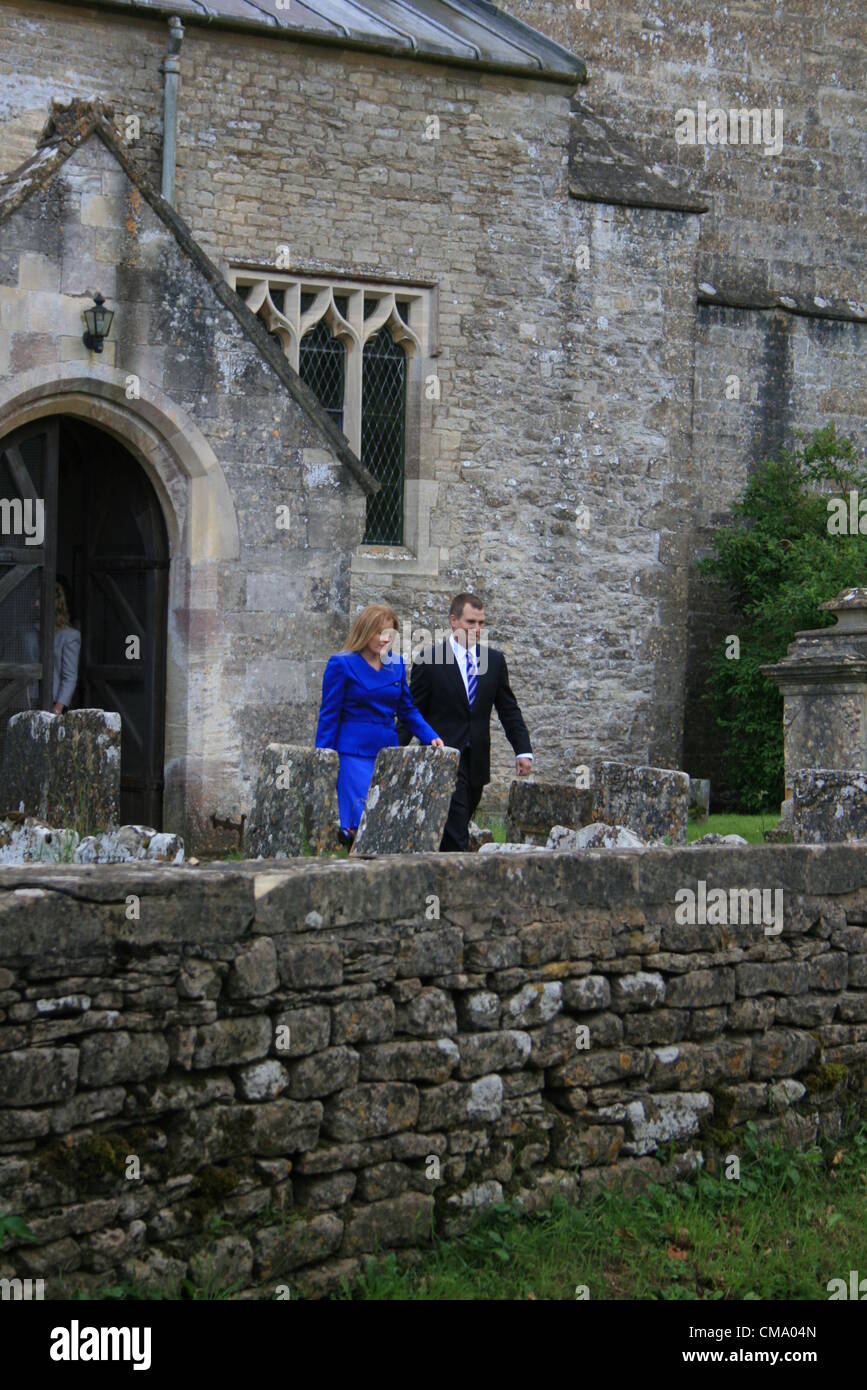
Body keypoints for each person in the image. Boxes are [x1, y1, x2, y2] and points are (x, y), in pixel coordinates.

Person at [398, 592, 533, 851]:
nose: (477, 629)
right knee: (456, 832)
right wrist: (391, 750)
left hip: (478, 764)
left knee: (456, 826)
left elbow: (509, 710)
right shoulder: (429, 660)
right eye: (471, 622)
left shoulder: (494, 662)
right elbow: (411, 713)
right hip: (443, 759)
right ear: (453, 621)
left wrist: (523, 750)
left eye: (482, 623)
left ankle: (437, 876)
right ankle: (453, 885)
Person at [315, 604, 444, 847]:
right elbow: (329, 714)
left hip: (387, 754)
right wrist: (323, 756)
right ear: (365, 631)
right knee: (363, 824)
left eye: (390, 634)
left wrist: (430, 735)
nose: (385, 639)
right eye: (379, 633)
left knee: (387, 822)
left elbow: (407, 710)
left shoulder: (396, 665)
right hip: (352, 755)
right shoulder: (341, 664)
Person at [24, 578, 81, 714]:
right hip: (26, 699)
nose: (36, 604)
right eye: (35, 599)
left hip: (52, 701)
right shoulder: (28, 632)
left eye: (40, 600)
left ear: (55, 603)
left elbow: (70, 676)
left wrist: (58, 708)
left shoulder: (69, 636)